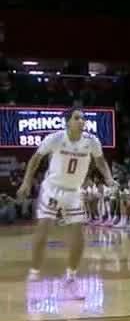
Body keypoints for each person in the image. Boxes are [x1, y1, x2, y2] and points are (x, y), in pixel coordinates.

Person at [15, 107, 118, 298]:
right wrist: (26, 181)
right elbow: (35, 160)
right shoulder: (55, 138)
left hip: (73, 192)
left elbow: (101, 161)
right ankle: (35, 274)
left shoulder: (91, 141)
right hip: (52, 188)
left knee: (78, 234)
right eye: (77, 118)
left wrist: (109, 178)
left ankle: (70, 278)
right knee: (43, 230)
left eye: (83, 118)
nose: (82, 121)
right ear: (68, 122)